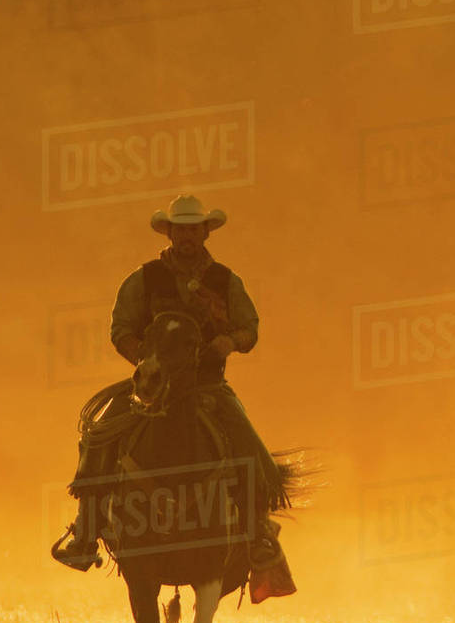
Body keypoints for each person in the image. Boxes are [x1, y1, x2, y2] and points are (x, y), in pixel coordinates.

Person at [51, 193, 288, 575]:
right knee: (98, 438)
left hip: (207, 386)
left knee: (252, 450)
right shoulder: (143, 279)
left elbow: (250, 327)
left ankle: (257, 531)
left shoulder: (226, 281)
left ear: (206, 233)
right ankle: (86, 532)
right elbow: (121, 330)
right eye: (181, 229)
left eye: (194, 229)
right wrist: (145, 362)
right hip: (150, 386)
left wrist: (231, 341)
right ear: (170, 233)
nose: (187, 236)